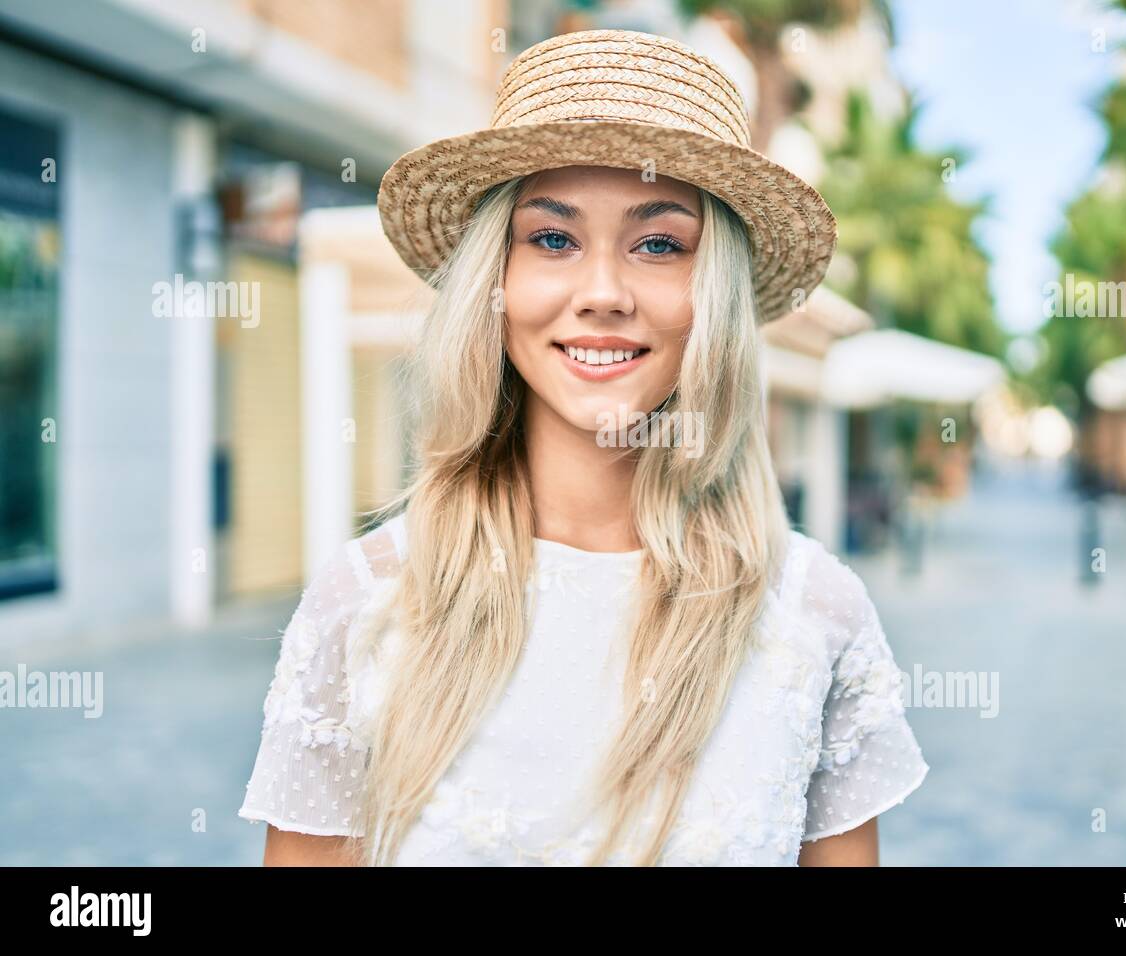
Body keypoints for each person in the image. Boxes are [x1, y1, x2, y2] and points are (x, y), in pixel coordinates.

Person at [237, 27, 928, 867]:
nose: (602, 294)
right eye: (554, 239)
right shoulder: (367, 605)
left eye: (660, 244)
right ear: (496, 280)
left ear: (714, 297)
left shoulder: (817, 615)